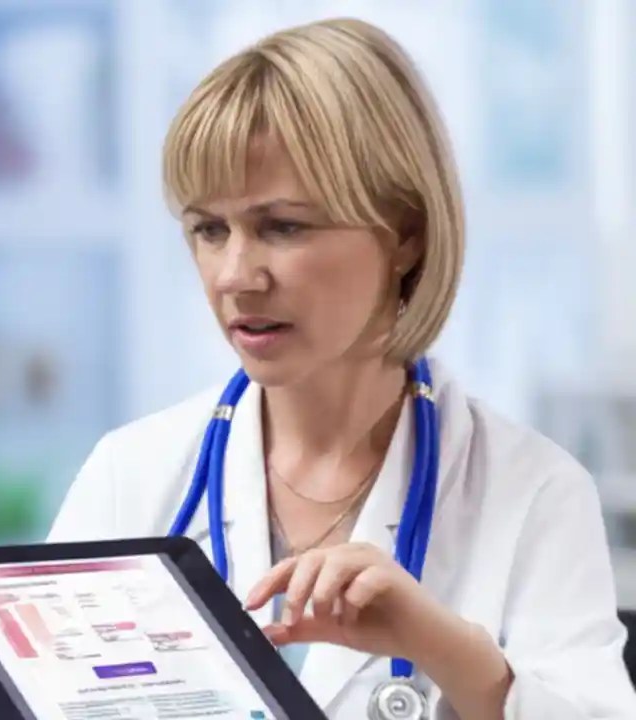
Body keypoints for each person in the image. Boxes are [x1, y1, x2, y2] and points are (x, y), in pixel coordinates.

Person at [48, 17, 636, 720]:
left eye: (284, 226)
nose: (235, 275)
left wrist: (444, 648)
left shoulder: (532, 493)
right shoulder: (132, 475)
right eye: (210, 229)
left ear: (406, 236)